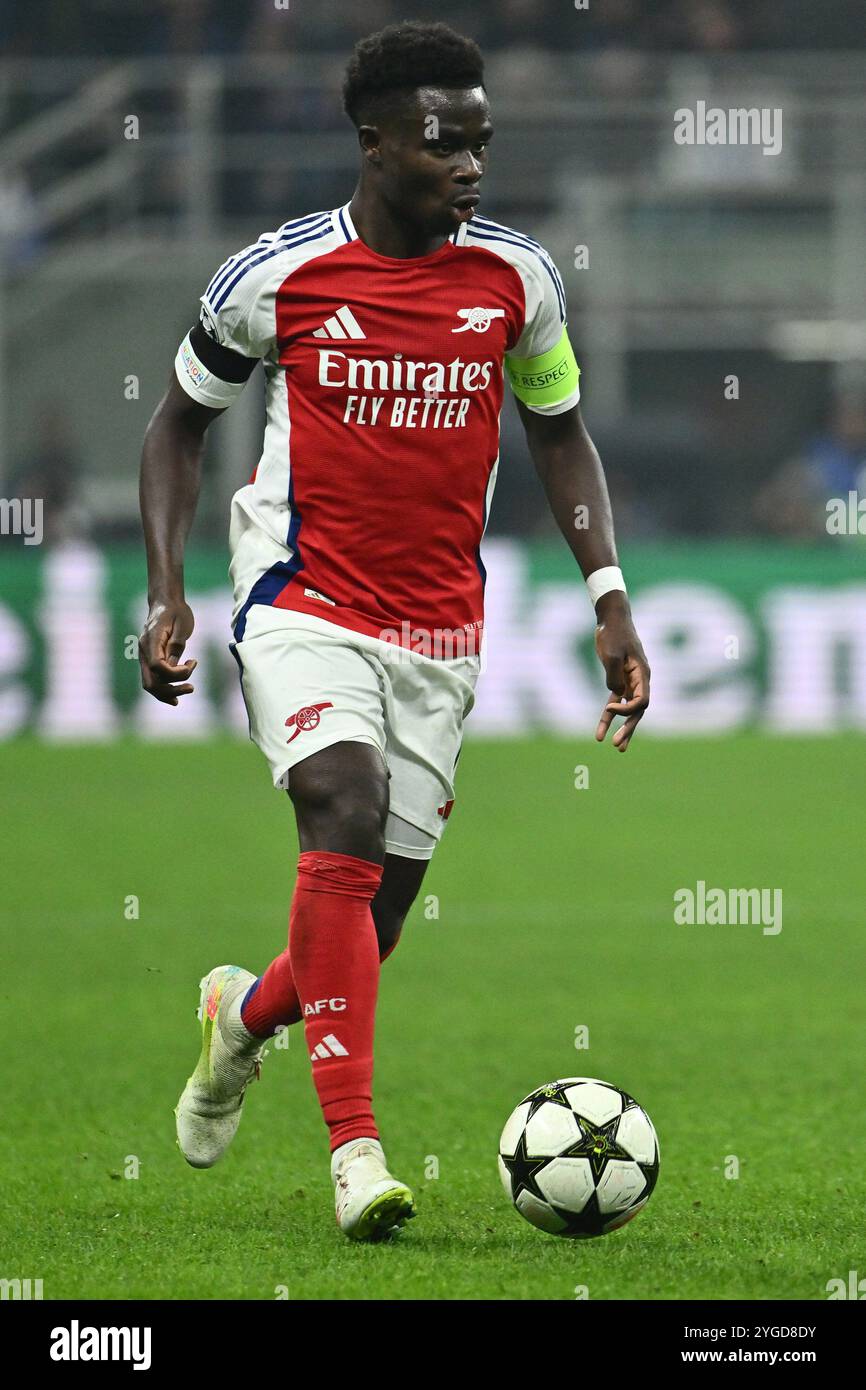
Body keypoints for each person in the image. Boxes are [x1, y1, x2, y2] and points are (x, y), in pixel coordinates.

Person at [138, 20, 650, 1242]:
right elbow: (175, 426)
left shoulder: (518, 281)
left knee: (367, 924)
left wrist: (608, 594)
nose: (470, 166)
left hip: (440, 628)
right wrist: (165, 588)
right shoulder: (275, 276)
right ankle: (355, 1156)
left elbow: (559, 433)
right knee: (343, 806)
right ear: (374, 145)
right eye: (443, 144)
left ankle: (240, 1020)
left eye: (480, 144)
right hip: (300, 595)